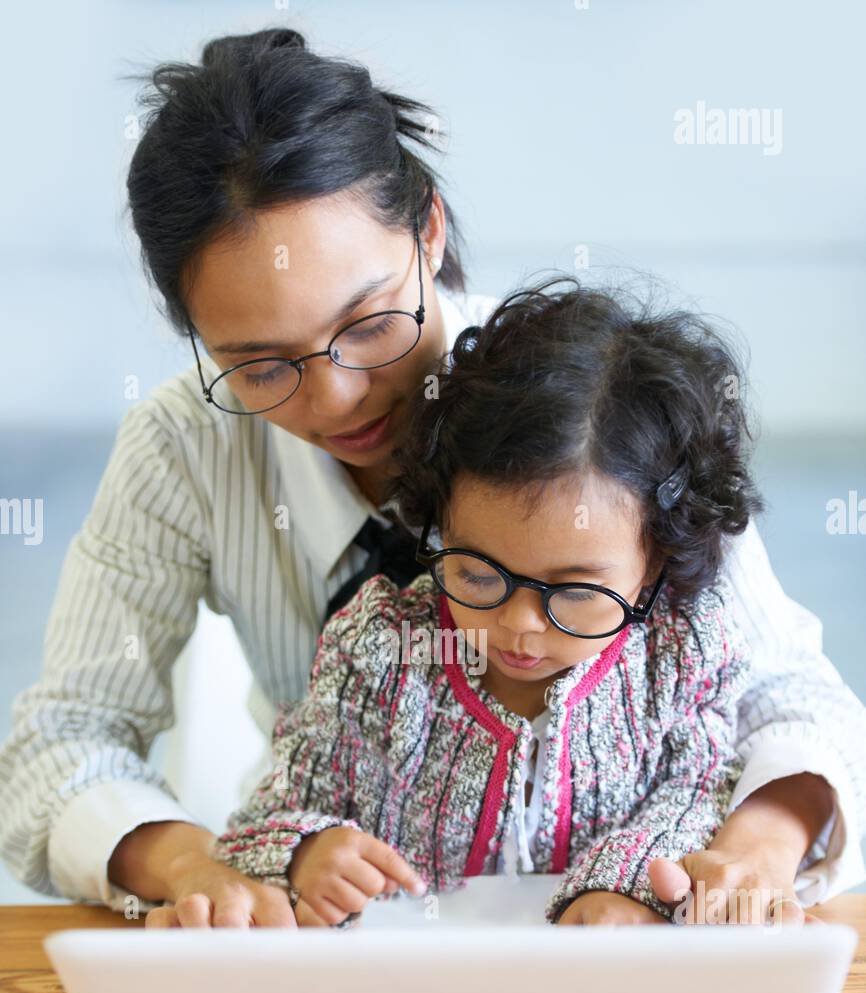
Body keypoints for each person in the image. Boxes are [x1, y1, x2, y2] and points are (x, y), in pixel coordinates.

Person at [0, 27, 863, 929]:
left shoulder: (594, 414)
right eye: (260, 366)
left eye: (368, 323)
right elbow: (62, 742)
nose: (337, 399)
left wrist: (753, 852)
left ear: (430, 227)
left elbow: (789, 695)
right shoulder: (184, 445)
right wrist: (190, 864)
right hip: (367, 937)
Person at [208, 281, 761, 926]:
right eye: (477, 574)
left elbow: (699, 790)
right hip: (408, 990)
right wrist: (306, 852)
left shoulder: (679, 652)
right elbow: (261, 821)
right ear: (439, 522)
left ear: (656, 563)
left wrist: (624, 884)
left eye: (577, 591)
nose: (519, 626)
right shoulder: (380, 648)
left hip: (597, 991)